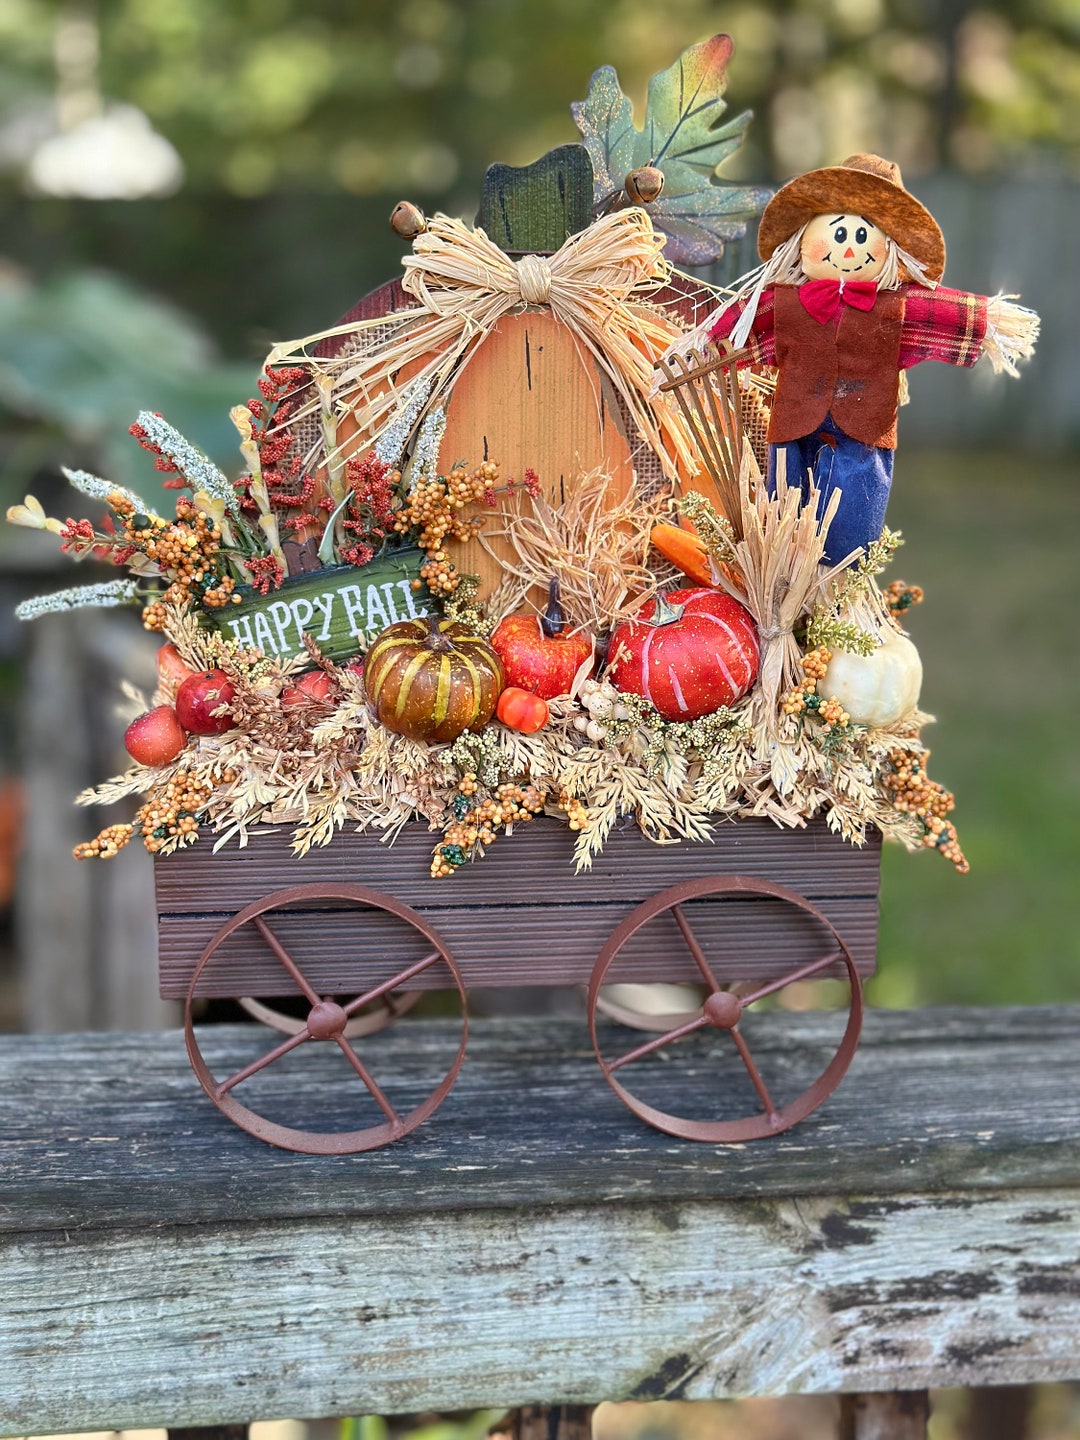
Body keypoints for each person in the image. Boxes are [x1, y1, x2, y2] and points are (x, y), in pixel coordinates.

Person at [693, 154, 1039, 564]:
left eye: (863, 235)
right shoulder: (784, 305)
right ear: (803, 242)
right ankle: (785, 569)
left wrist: (991, 321)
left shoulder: (900, 310)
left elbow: (942, 313)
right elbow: (740, 327)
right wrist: (702, 345)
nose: (849, 246)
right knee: (782, 512)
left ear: (891, 249)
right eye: (838, 233)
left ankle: (837, 574)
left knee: (853, 518)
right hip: (792, 423)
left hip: (866, 429)